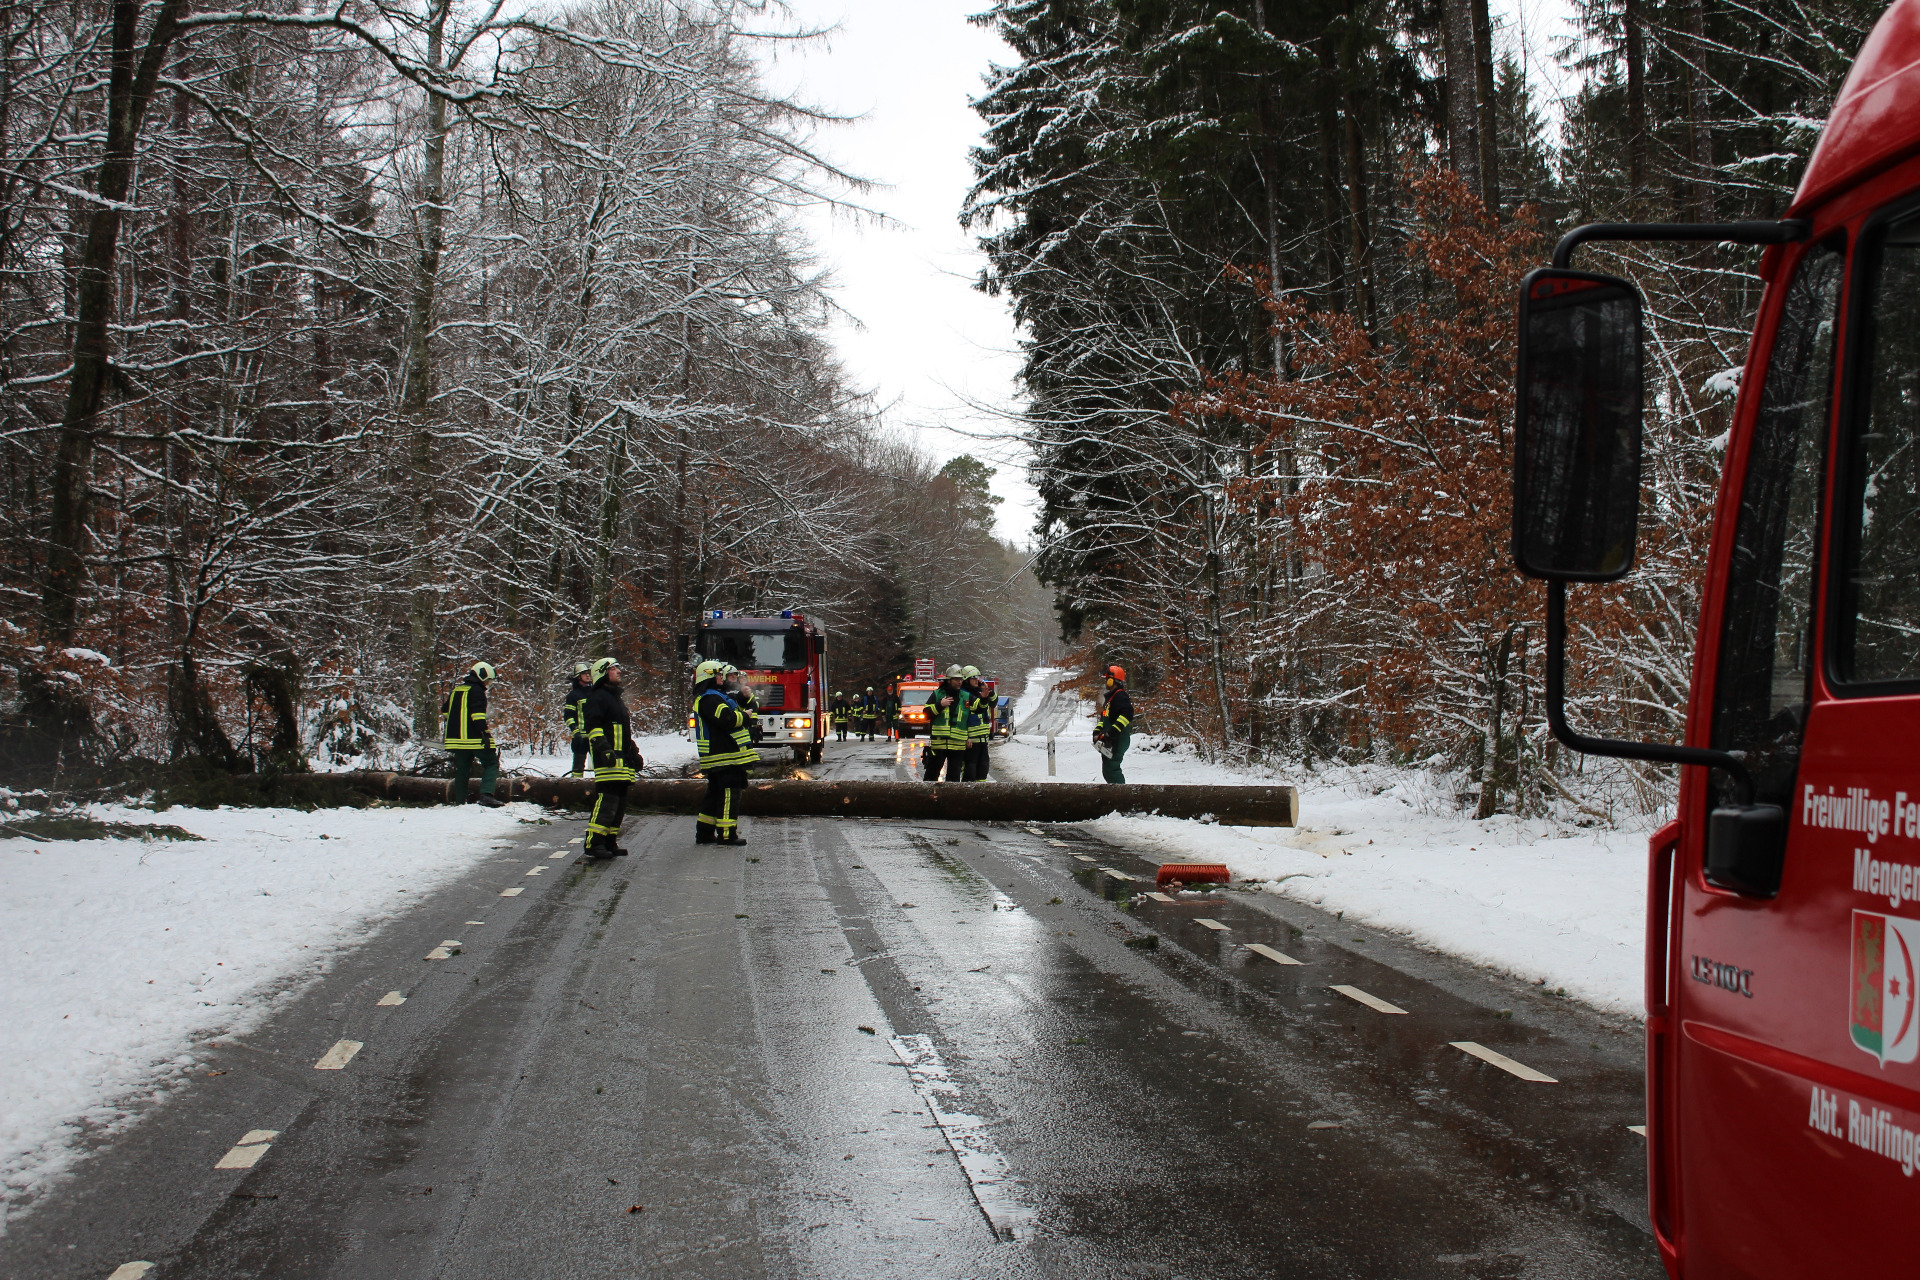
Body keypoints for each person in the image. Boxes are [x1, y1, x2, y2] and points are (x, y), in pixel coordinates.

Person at [583, 657, 642, 857]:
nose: (619, 671)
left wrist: (634, 753)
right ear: (602, 672)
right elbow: (593, 727)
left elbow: (624, 733)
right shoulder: (597, 697)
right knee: (607, 801)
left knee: (619, 804)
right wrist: (604, 750)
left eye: (618, 667)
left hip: (622, 761)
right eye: (614, 668)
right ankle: (594, 843)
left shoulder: (615, 699)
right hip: (608, 760)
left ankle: (609, 841)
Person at [694, 660, 755, 845]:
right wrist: (745, 716)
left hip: (722, 756)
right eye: (718, 674)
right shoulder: (709, 699)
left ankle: (704, 834)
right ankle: (727, 835)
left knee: (714, 794)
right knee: (730, 794)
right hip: (725, 756)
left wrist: (743, 698)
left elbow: (730, 706)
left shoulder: (714, 696)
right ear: (709, 676)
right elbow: (727, 718)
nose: (722, 676)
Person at [444, 661, 504, 807]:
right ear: (481, 676)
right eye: (488, 680)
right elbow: (478, 716)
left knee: (462, 770)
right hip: (474, 738)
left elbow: (446, 711)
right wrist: (486, 735)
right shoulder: (477, 691)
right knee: (491, 763)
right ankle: (486, 795)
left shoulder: (456, 690)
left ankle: (459, 801)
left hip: (456, 740)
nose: (488, 683)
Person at [922, 665, 968, 782]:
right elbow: (926, 713)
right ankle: (927, 799)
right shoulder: (937, 694)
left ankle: (951, 800)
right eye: (956, 679)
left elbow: (973, 716)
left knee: (954, 779)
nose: (959, 682)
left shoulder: (966, 696)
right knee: (931, 777)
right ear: (949, 680)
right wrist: (939, 705)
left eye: (961, 679)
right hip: (939, 744)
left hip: (958, 745)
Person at [1094, 664, 1134, 785]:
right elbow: (1104, 718)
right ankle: (1116, 795)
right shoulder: (1111, 698)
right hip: (1112, 739)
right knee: (1108, 769)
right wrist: (1097, 731)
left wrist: (1113, 731)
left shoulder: (1120, 696)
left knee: (1111, 769)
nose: (1106, 682)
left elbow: (1127, 714)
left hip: (1118, 739)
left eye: (1107, 679)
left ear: (1112, 680)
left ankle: (1121, 797)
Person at [960, 666, 992, 781]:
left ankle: (979, 795)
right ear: (966, 679)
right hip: (971, 741)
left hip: (983, 739)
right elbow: (973, 709)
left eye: (977, 677)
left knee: (983, 769)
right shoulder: (963, 694)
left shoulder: (978, 692)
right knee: (970, 771)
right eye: (973, 678)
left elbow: (993, 702)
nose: (976, 680)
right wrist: (966, 737)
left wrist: (987, 690)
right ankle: (968, 795)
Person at [562, 661, 592, 778]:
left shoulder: (594, 693)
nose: (588, 675)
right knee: (578, 768)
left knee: (600, 764)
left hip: (595, 736)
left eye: (588, 673)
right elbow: (568, 716)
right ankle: (575, 788)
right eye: (584, 673)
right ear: (578, 677)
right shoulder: (573, 696)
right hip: (580, 738)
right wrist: (575, 730)